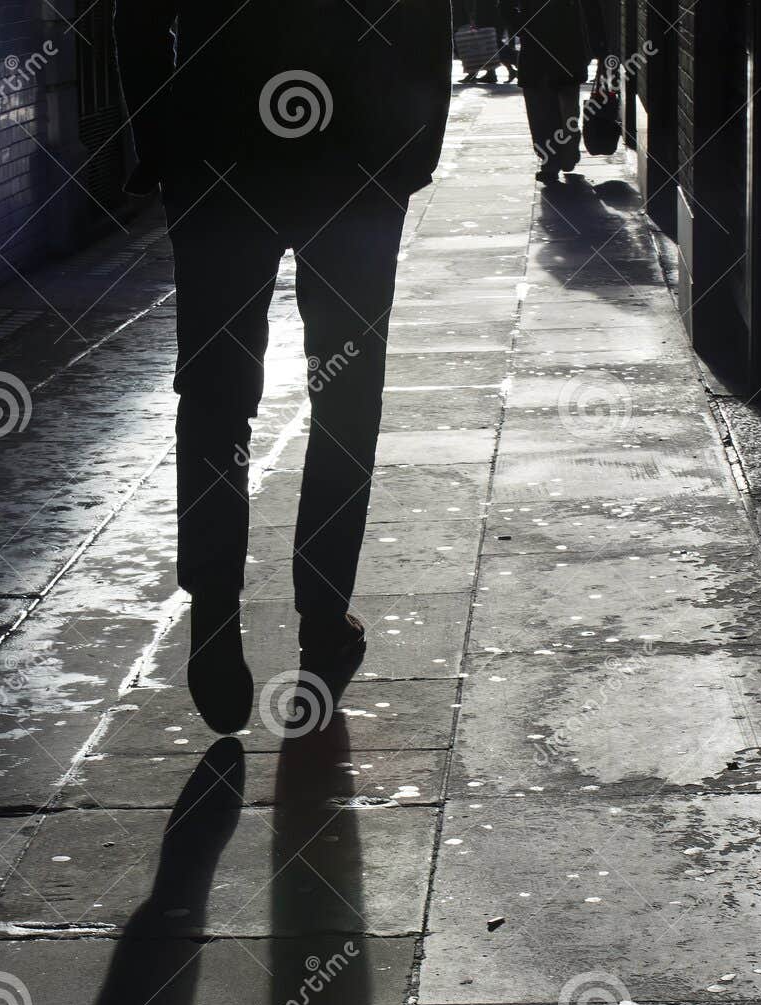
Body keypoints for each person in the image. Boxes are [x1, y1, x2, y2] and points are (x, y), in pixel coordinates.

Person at [114, 0, 452, 733]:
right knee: (348, 395)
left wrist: (157, 139)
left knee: (214, 394)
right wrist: (417, 144)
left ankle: (213, 612)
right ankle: (323, 616)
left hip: (217, 153)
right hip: (356, 160)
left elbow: (135, 16)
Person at [502, 0, 605, 182]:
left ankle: (563, 153)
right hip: (545, 48)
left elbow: (592, 9)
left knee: (561, 110)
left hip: (564, 47)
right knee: (544, 110)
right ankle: (553, 158)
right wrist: (522, 27)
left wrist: (598, 45)